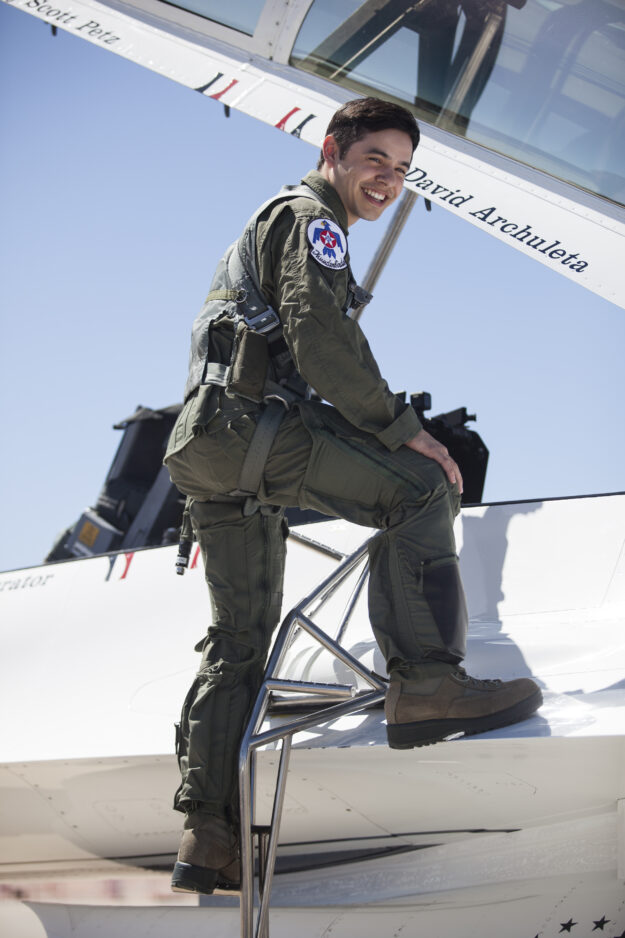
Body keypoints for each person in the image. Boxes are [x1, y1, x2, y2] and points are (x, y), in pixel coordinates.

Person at [164, 97, 542, 895]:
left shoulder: (266, 226)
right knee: (419, 487)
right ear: (332, 150)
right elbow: (320, 337)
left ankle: (208, 832)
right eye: (375, 159)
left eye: (402, 171)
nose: (388, 180)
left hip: (207, 444)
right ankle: (428, 681)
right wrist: (408, 430)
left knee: (239, 641)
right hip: (251, 428)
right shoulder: (312, 220)